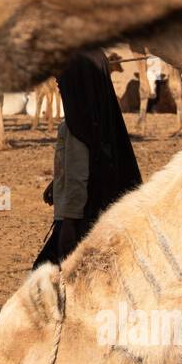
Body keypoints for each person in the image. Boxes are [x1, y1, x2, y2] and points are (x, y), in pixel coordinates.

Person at [35, 49, 142, 267]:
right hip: (103, 217)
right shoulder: (106, 124)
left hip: (79, 222)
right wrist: (57, 184)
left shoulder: (79, 127)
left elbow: (78, 175)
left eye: (62, 76)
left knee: (43, 273)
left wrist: (69, 225)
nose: (57, 82)